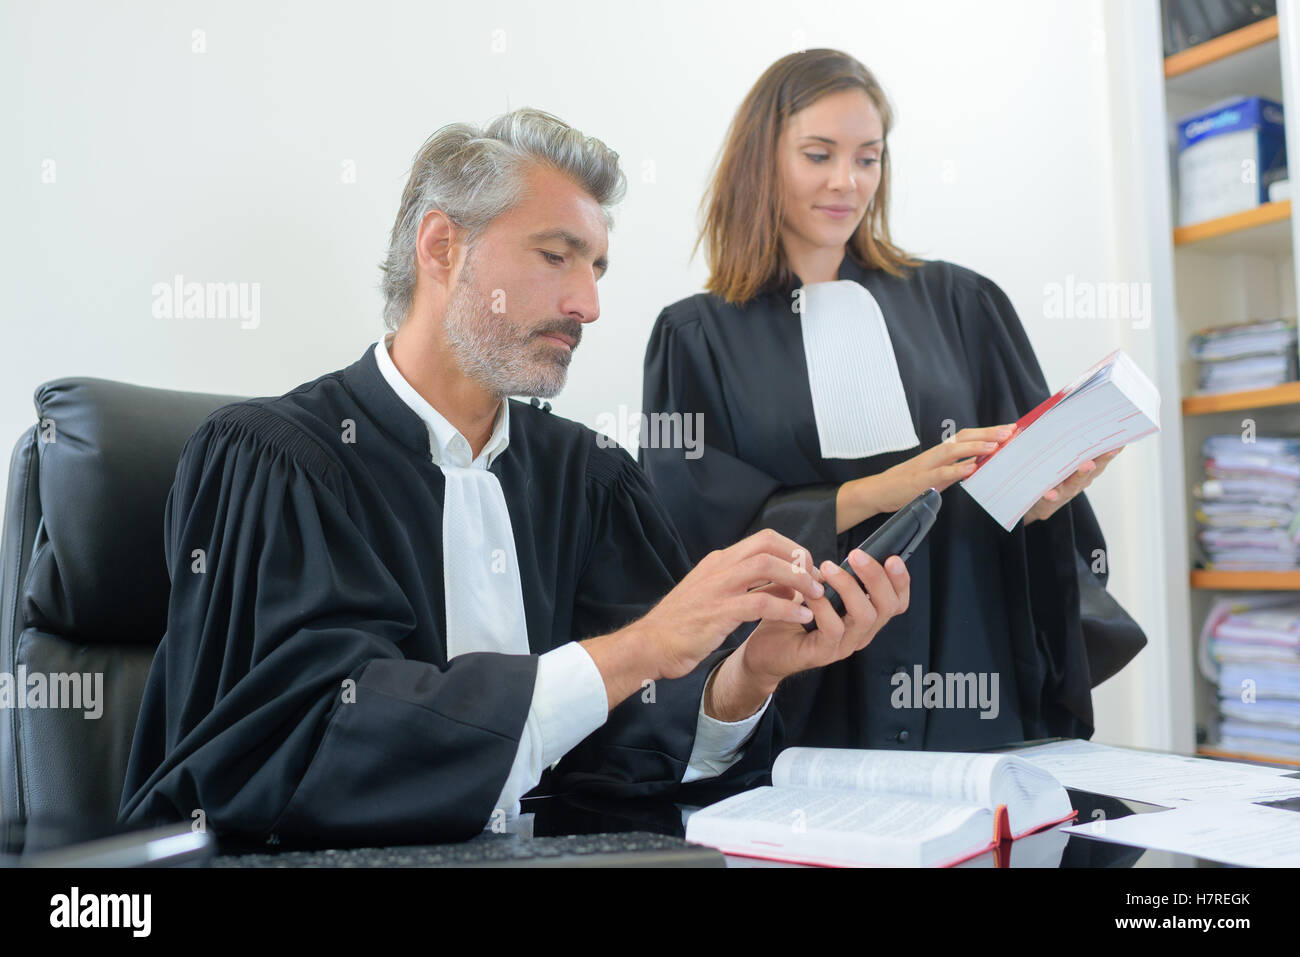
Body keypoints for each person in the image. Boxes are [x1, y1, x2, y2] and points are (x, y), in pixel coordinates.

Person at [118, 108, 912, 846]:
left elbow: (624, 752)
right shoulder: (277, 462)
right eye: (555, 256)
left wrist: (745, 676)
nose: (589, 302)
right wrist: (638, 647)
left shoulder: (590, 477)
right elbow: (314, 745)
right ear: (441, 248)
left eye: (597, 266)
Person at [640, 50, 1145, 753]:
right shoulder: (696, 337)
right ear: (761, 159)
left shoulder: (964, 304)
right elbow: (692, 531)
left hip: (970, 664)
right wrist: (882, 489)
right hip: (807, 684)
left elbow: (1029, 518)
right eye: (818, 154)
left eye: (868, 158)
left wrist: (1041, 496)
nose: (847, 182)